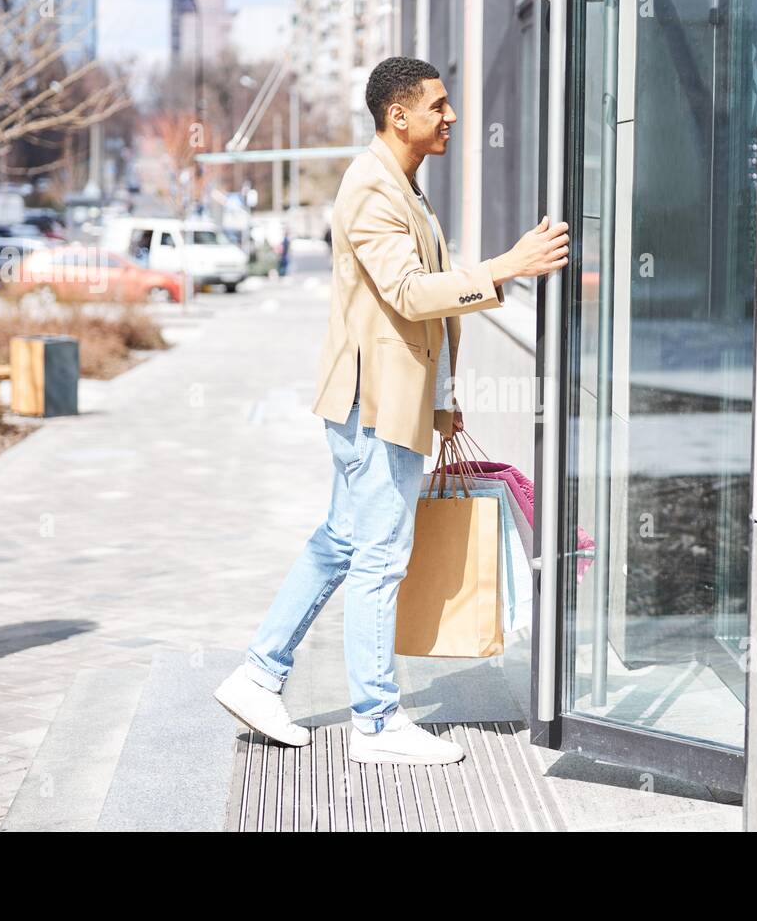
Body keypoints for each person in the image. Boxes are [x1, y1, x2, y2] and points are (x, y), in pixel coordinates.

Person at [214, 56, 569, 765]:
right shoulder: (372, 188)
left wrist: (444, 403)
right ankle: (376, 724)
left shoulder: (401, 184)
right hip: (375, 408)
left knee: (342, 543)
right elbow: (410, 294)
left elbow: (413, 310)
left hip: (389, 402)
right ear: (397, 114)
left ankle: (258, 674)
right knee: (379, 560)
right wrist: (507, 266)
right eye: (438, 105)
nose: (452, 116)